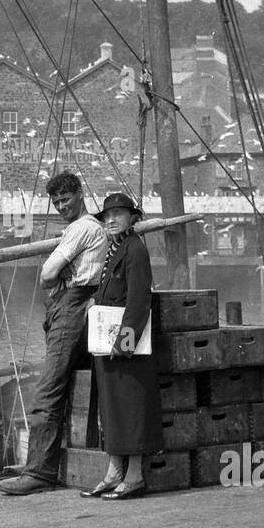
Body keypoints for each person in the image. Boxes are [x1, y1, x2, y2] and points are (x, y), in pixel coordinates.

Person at [0, 172, 108, 495]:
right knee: (76, 384)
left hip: (71, 306)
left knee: (47, 392)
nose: (62, 206)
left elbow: (47, 275)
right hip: (85, 305)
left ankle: (39, 472)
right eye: (57, 201)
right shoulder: (96, 228)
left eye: (66, 199)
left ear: (79, 194)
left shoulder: (80, 228)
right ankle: (66, 462)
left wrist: (56, 274)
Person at [80, 193, 162, 500]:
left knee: (130, 410)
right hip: (108, 344)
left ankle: (135, 475)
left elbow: (139, 301)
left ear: (133, 218)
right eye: (107, 215)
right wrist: (94, 302)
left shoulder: (135, 249)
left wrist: (124, 345)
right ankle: (114, 473)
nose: (111, 219)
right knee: (112, 411)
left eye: (118, 214)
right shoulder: (116, 249)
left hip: (126, 349)